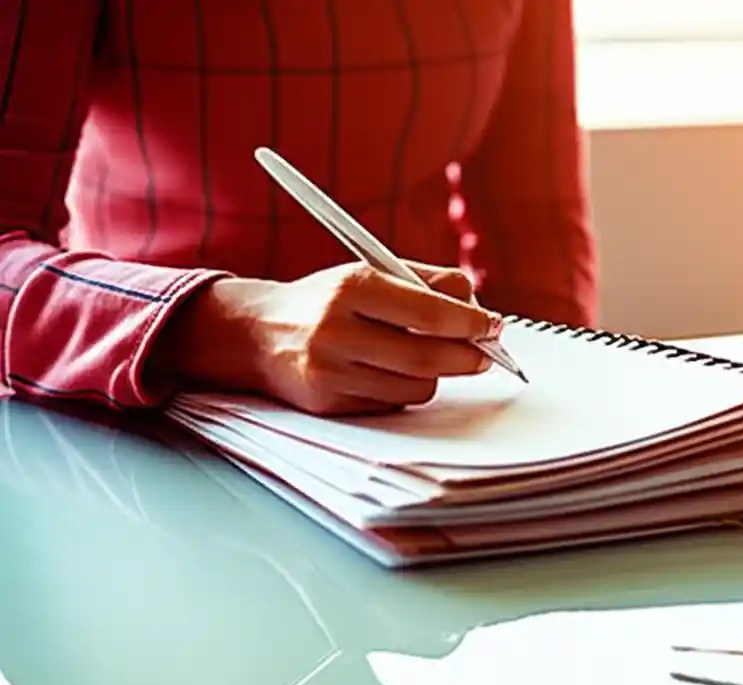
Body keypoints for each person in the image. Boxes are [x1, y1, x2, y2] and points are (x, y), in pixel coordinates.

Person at [0, 0, 597, 416]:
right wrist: (236, 330)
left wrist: (564, 437)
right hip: (143, 427)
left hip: (427, 431)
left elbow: (536, 233)